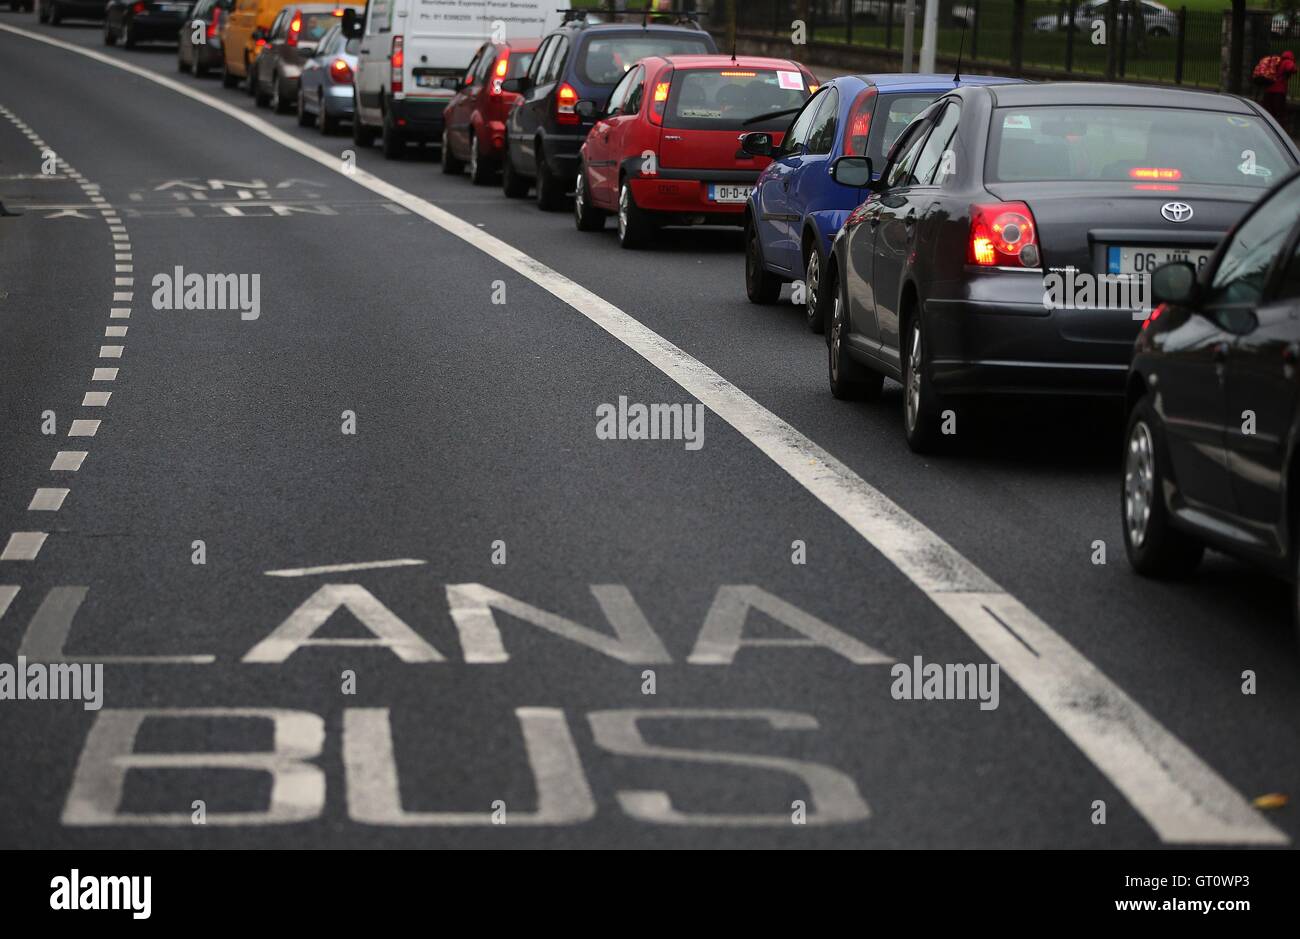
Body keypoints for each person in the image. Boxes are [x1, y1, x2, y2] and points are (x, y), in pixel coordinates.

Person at [1261, 50, 1297, 125]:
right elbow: (1292, 68)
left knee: (1268, 111)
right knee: (1279, 112)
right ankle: (1279, 129)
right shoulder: (1287, 61)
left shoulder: (1275, 61)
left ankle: (1266, 126)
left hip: (1268, 89)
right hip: (1279, 91)